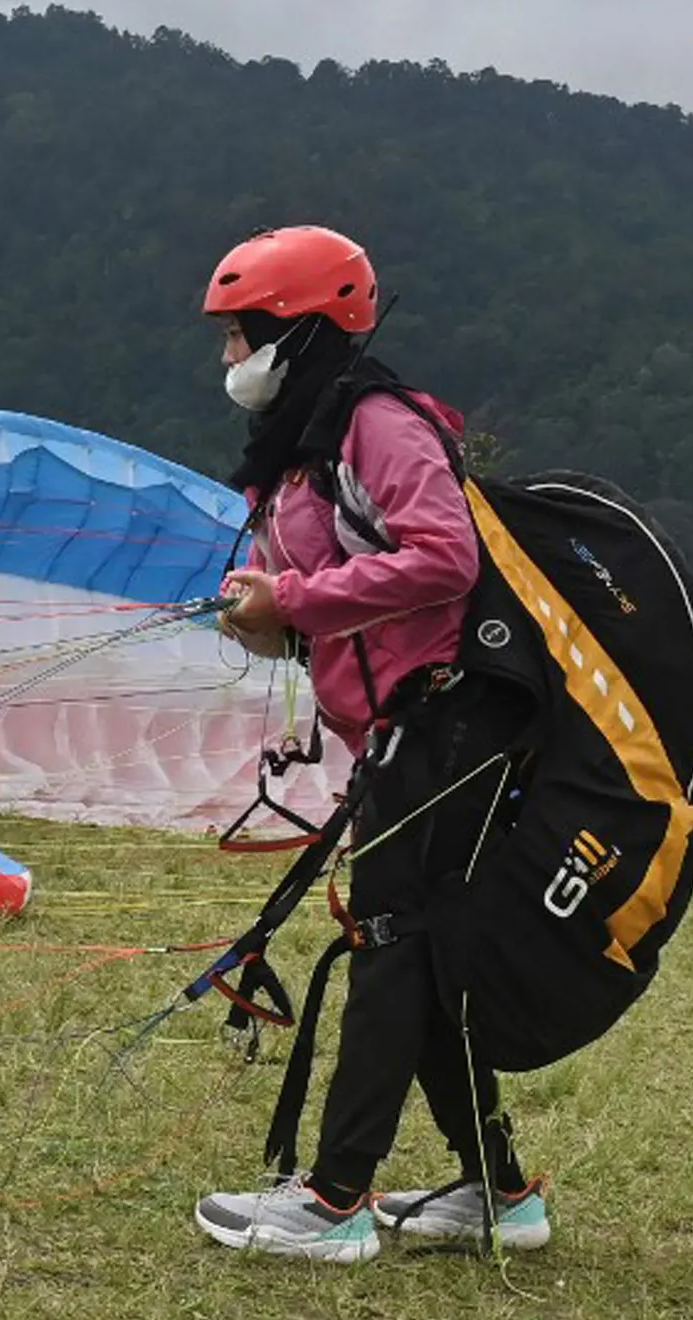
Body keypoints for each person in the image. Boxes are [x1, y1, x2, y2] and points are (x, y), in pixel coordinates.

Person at [191, 225, 550, 1262]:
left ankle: (337, 1200)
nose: (230, 359)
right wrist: (278, 615)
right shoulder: (305, 442)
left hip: (450, 720)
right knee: (418, 947)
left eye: (243, 334)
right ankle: (501, 1193)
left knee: (389, 938)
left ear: (298, 332)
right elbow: (348, 585)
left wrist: (294, 598)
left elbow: (442, 559)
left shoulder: (377, 424)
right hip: (402, 724)